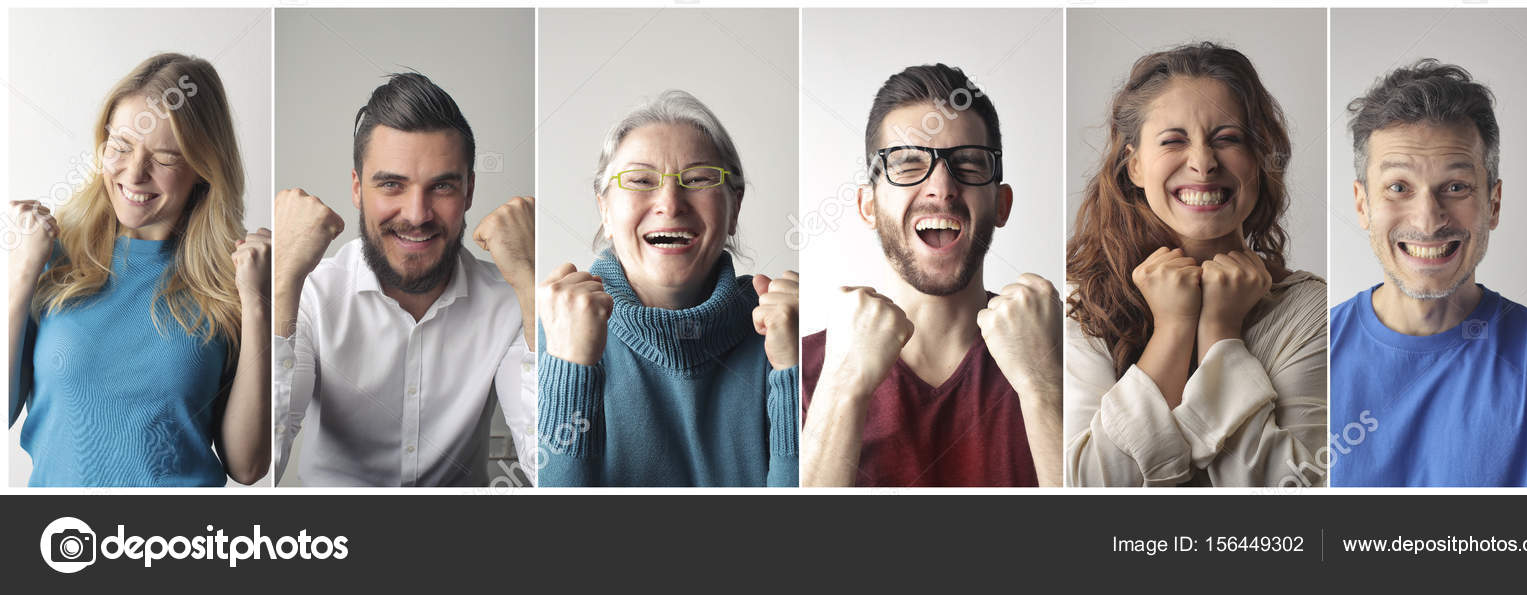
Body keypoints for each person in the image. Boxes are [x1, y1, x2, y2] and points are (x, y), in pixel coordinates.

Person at [1062, 43, 1328, 487]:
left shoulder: (1310, 310)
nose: (1203, 163)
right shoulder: (1081, 300)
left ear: (1259, 163)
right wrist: (1173, 327)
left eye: (1227, 139)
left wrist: (1219, 333)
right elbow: (1089, 489)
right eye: (1173, 140)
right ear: (1135, 165)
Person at [8, 53, 270, 486]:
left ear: (203, 170)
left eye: (165, 158)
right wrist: (21, 275)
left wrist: (258, 304)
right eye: (121, 147)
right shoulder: (54, 257)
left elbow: (247, 466)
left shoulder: (233, 281)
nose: (134, 173)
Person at [1330, 59, 1527, 487]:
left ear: (1494, 203)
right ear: (1362, 205)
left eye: (1455, 187)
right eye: (1398, 187)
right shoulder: (1315, 347)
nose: (1429, 220)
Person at [801, 64, 1063, 488]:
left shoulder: (1066, 355)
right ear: (868, 205)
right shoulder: (795, 370)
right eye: (907, 164)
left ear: (1001, 203)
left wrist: (1045, 389)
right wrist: (842, 388)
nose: (941, 187)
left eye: (969, 164)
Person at [273, 72, 539, 486]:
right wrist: (283, 279)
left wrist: (529, 281)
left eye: (442, 187)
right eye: (392, 185)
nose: (417, 214)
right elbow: (258, 470)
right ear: (358, 190)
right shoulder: (309, 295)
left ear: (468, 192)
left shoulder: (511, 300)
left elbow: (554, 474)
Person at [537, 90, 799, 487]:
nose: (670, 203)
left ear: (735, 208)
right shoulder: (549, 335)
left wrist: (794, 373)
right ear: (605, 210)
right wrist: (571, 369)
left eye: (697, 179)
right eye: (641, 180)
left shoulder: (789, 333)